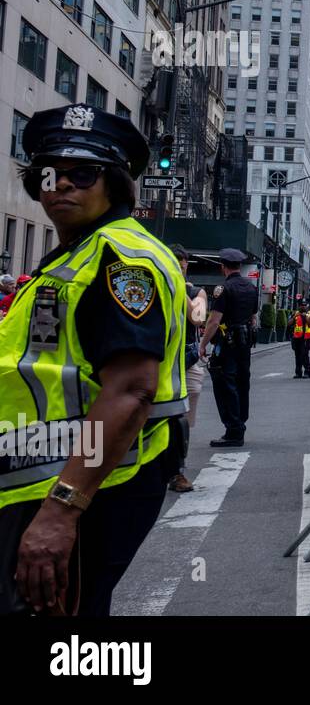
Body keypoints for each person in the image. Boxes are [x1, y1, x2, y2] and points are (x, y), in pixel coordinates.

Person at [0, 103, 187, 616]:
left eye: (83, 173)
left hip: (85, 487)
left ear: (117, 185)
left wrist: (62, 511)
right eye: (48, 172)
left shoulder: (118, 259)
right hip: (45, 477)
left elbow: (132, 390)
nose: (61, 184)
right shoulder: (73, 253)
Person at [199, 250, 258, 448]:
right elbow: (253, 318)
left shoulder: (223, 289)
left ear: (223, 267)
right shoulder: (251, 287)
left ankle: (233, 429)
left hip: (227, 342)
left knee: (225, 383)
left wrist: (203, 344)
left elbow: (214, 321)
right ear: (239, 266)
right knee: (242, 382)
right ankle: (239, 423)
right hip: (244, 343)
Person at [167, 245, 208, 494]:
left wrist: (179, 288)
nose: (178, 268)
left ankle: (177, 469)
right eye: (174, 263)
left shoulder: (195, 291)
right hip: (161, 362)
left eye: (181, 265)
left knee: (182, 419)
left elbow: (198, 317)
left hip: (187, 362)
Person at [289, 300, 310, 378]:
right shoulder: (295, 313)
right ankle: (298, 372)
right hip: (297, 337)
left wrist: (305, 316)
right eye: (301, 305)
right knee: (297, 355)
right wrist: (295, 317)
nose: (303, 306)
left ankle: (307, 372)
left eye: (304, 305)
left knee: (305, 354)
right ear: (299, 306)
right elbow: (289, 324)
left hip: (307, 338)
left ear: (307, 305)